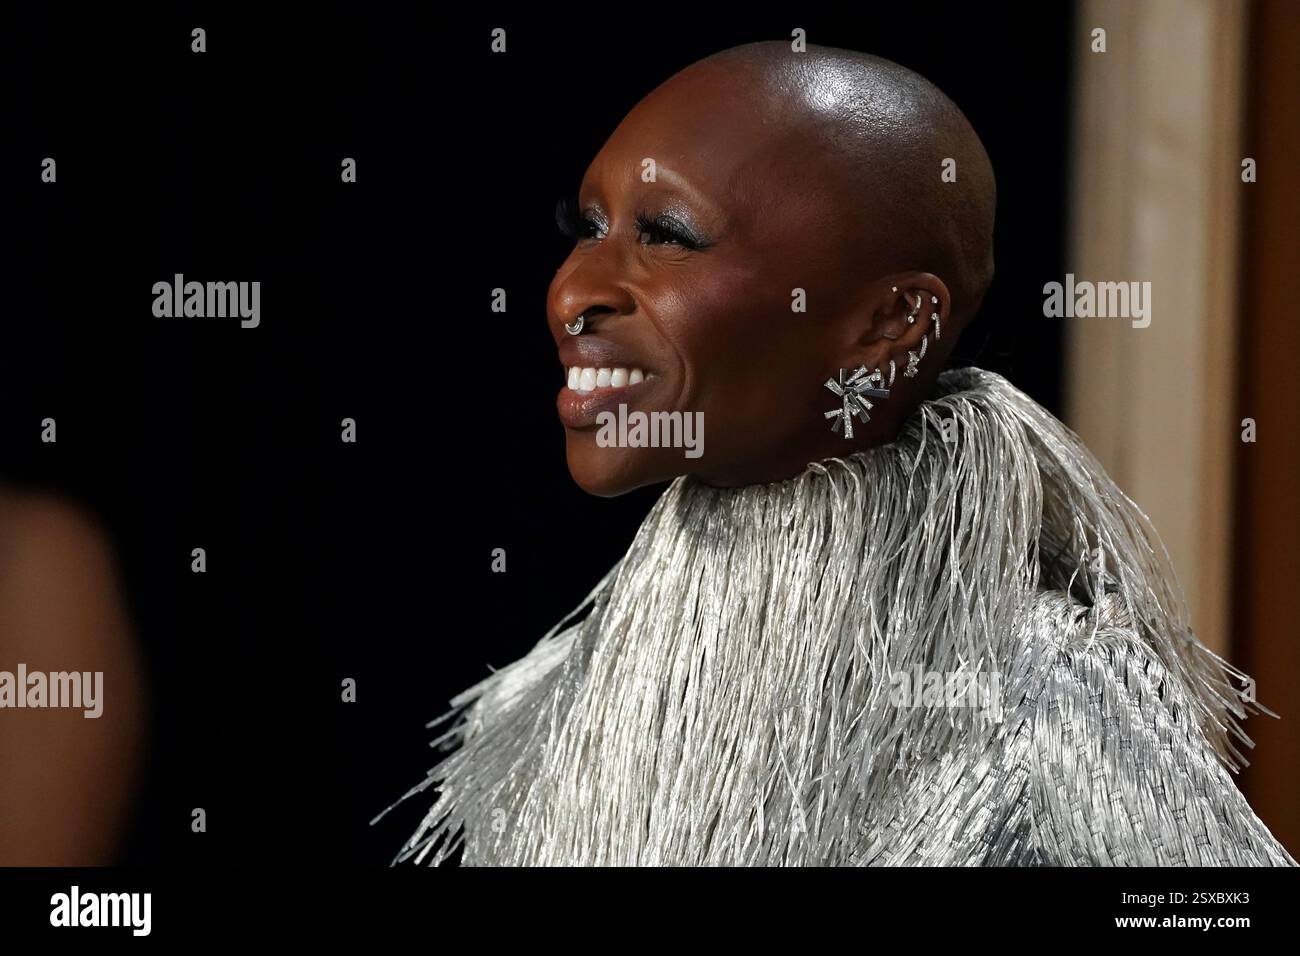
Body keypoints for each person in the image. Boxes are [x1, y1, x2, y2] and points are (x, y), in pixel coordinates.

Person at [386, 41, 1295, 865]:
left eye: (665, 236)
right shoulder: (549, 706)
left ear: (890, 321)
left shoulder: (1041, 709)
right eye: (588, 226)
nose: (573, 294)